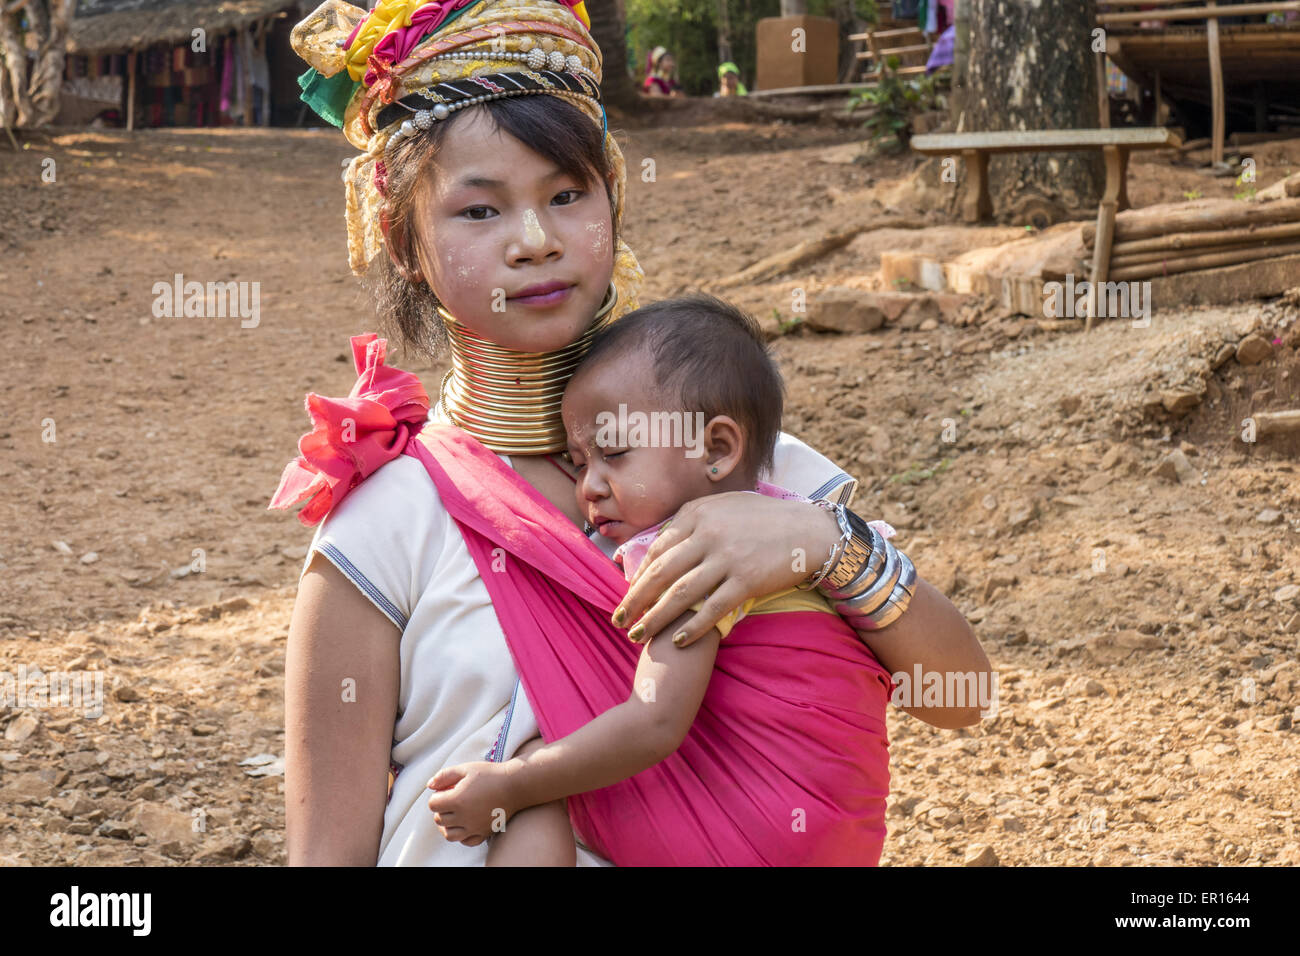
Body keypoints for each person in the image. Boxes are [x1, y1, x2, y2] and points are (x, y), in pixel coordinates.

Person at [277, 0, 989, 867]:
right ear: (401, 240)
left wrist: (824, 542)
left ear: (612, 196)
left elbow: (959, 697)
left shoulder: (734, 467)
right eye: (479, 212)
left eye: (567, 194)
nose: (535, 242)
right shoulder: (386, 523)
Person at [426, 294, 898, 865]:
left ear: (717, 449)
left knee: (535, 772)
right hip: (846, 834)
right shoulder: (801, 518)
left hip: (752, 835)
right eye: (580, 464)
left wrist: (511, 787)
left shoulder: (692, 551)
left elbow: (655, 720)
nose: (589, 488)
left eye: (615, 454)